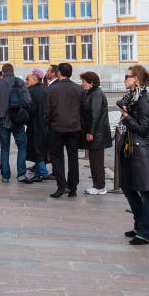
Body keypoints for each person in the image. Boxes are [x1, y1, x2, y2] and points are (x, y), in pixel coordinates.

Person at [117, 65, 149, 245]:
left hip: (141, 151)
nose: (125, 79)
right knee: (128, 188)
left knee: (146, 191)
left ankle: (144, 232)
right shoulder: (132, 98)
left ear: (136, 79)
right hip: (130, 149)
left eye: (128, 77)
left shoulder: (145, 101)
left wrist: (126, 115)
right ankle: (139, 225)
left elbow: (143, 129)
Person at [46, 62, 84, 198]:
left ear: (58, 73)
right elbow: (83, 110)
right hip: (74, 127)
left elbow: (48, 110)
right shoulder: (79, 89)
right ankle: (72, 187)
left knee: (57, 157)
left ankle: (61, 185)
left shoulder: (52, 89)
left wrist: (47, 123)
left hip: (57, 127)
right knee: (73, 157)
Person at [0, 63, 31, 184]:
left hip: (3, 119)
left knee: (5, 147)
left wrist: (0, 111)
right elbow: (28, 100)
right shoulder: (20, 82)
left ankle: (5, 176)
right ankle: (21, 174)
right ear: (13, 71)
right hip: (17, 119)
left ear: (2, 72)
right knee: (22, 146)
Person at [80, 71, 112, 196]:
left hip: (97, 134)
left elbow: (95, 114)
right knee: (94, 160)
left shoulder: (96, 94)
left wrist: (90, 132)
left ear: (91, 82)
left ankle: (100, 186)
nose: (82, 84)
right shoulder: (92, 93)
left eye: (84, 81)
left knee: (97, 161)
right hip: (96, 133)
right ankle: (97, 185)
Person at [25, 71, 49, 182]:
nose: (26, 82)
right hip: (45, 124)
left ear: (34, 80)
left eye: (28, 80)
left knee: (36, 149)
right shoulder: (45, 90)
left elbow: (30, 108)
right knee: (40, 148)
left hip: (34, 124)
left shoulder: (31, 91)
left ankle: (43, 172)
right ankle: (39, 171)